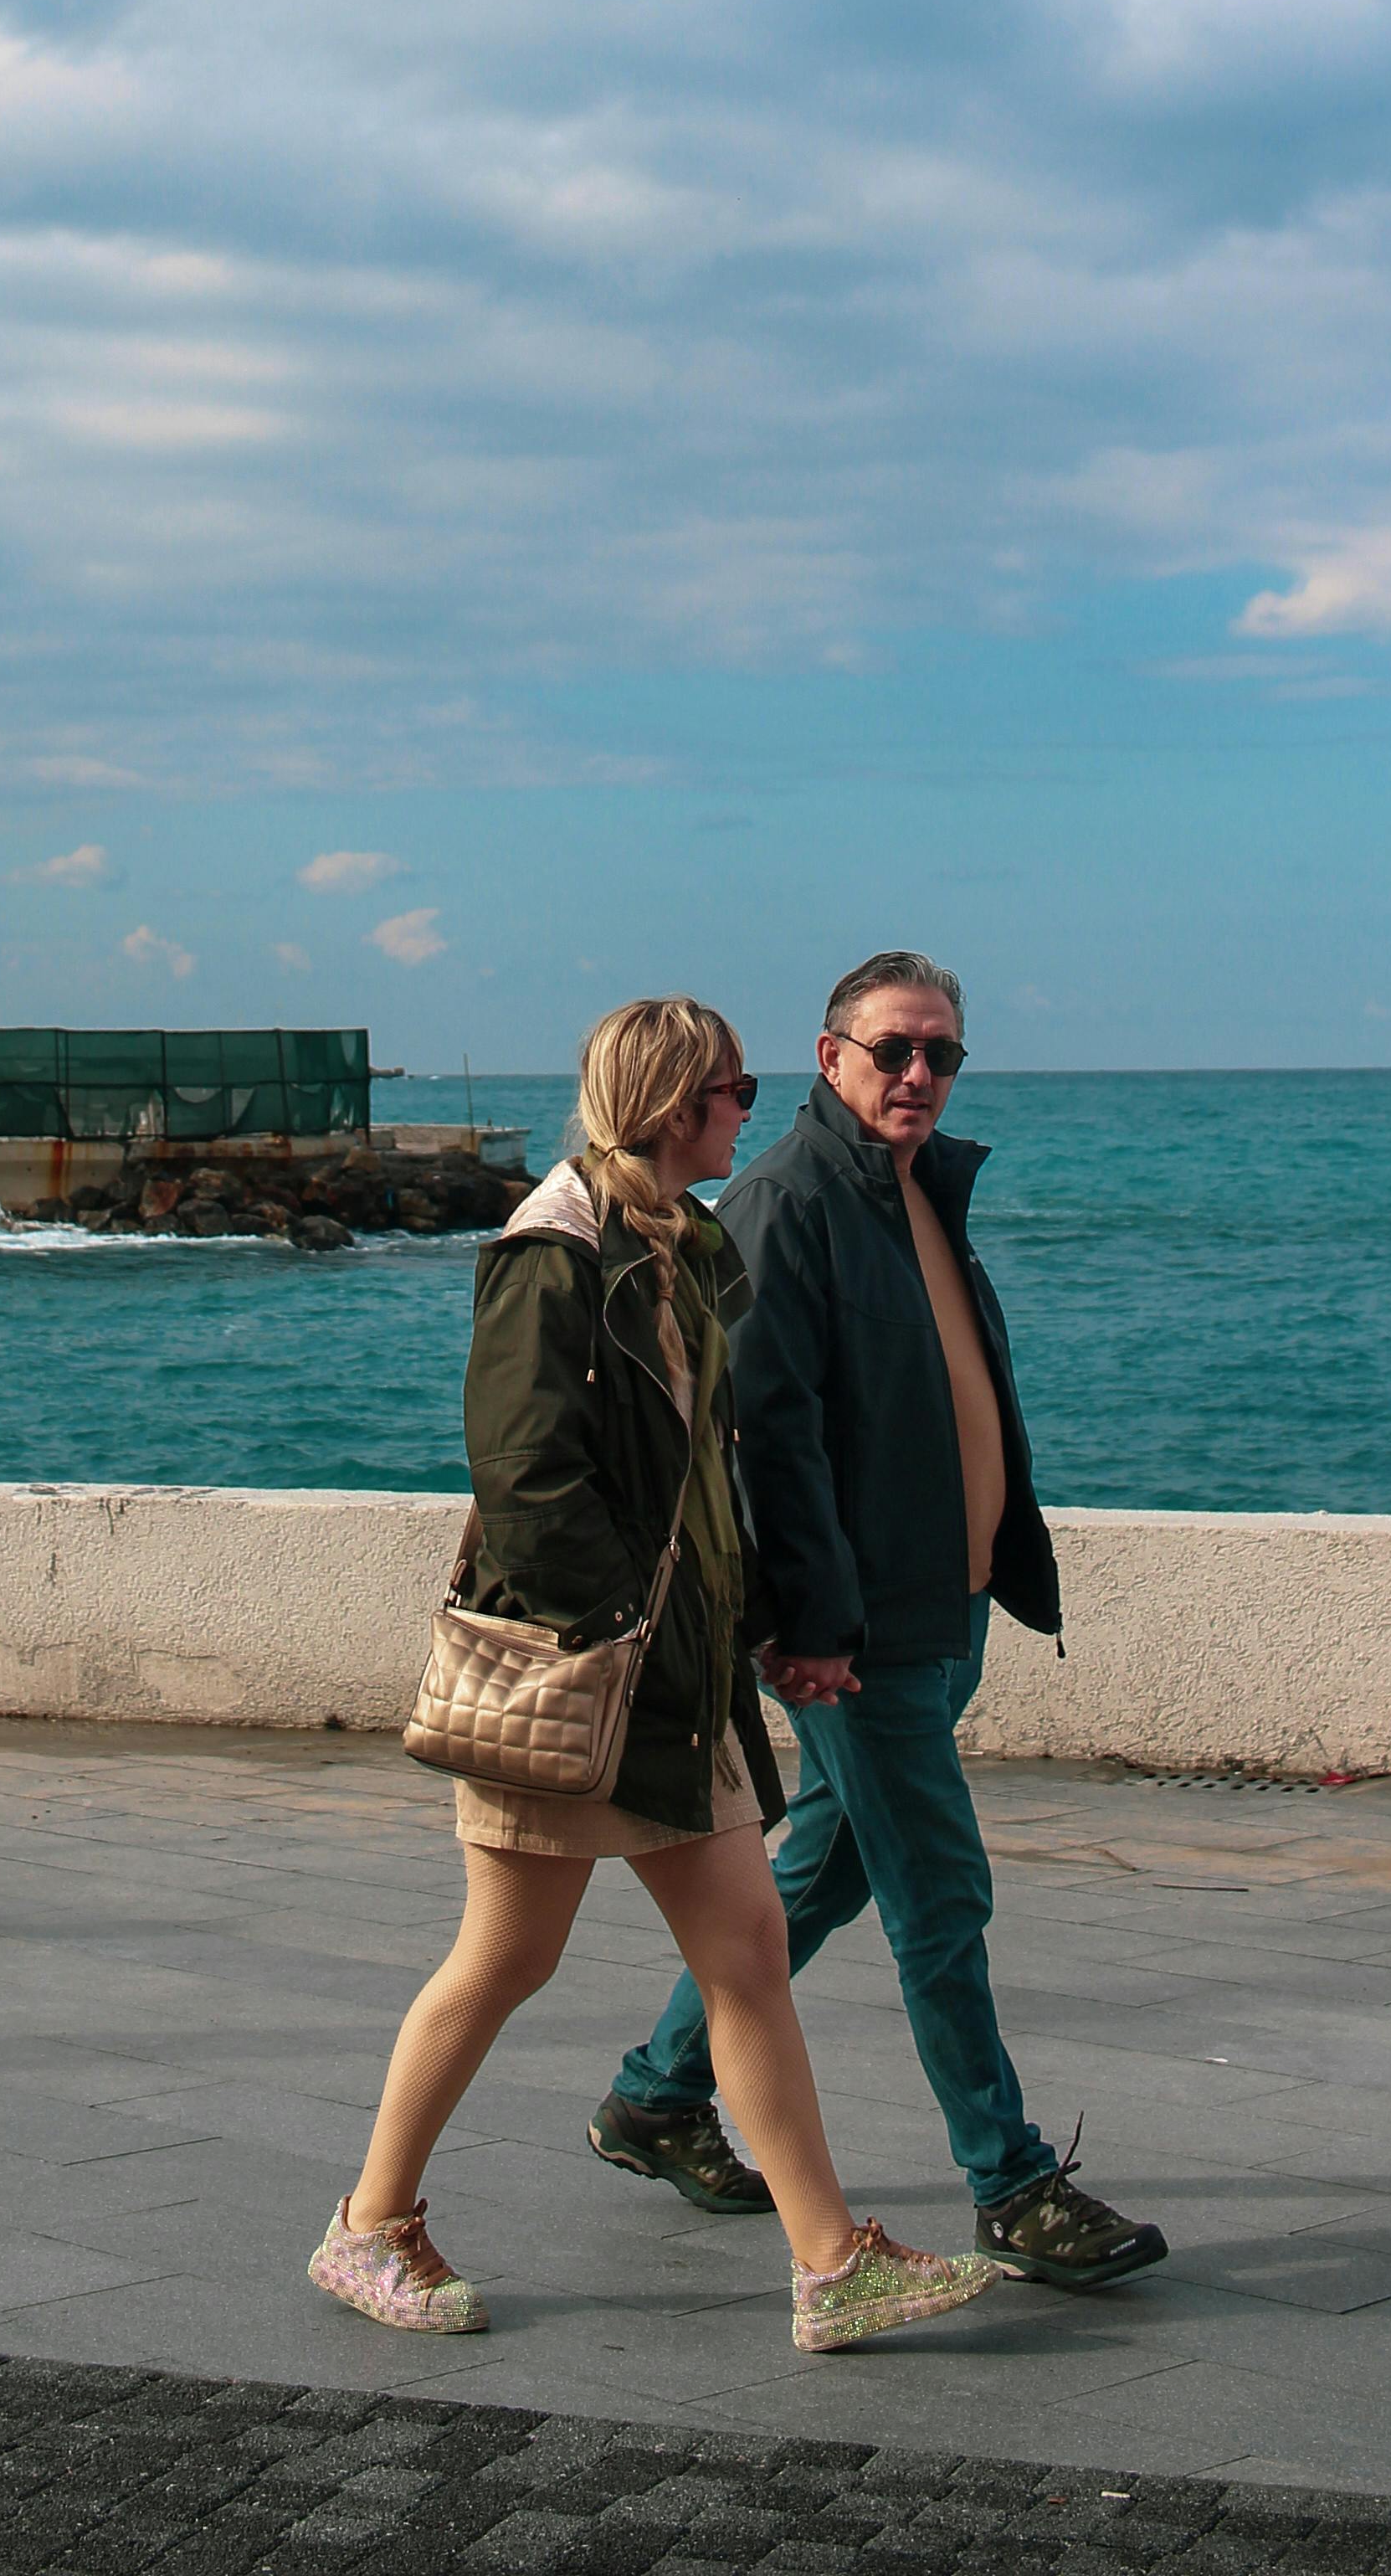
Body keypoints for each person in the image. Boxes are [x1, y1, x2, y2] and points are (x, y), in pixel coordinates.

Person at [312, 993, 1003, 2357]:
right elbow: (525, 1485)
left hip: (680, 1692)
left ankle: (830, 2263)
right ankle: (366, 2226)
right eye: (732, 1087)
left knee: (747, 1954)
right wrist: (626, 1626)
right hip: (585, 1685)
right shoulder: (553, 1257)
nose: (749, 1108)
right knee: (506, 1959)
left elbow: (712, 1473)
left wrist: (745, 1621)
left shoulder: (683, 1246)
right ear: (674, 1102)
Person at [590, 954, 1169, 2290]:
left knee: (831, 1868)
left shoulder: (916, 1192)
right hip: (863, 1634)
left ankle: (657, 2096)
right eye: (894, 1051)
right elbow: (765, 1437)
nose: (919, 1075)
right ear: (830, 1056)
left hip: (943, 1606)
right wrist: (811, 1623)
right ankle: (1013, 2184)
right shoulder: (788, 1203)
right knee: (941, 1893)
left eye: (942, 1055)